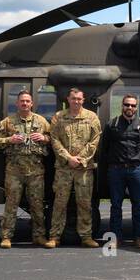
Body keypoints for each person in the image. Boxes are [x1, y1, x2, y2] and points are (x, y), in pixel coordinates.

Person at [0, 90, 51, 248]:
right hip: (14, 172)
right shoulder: (7, 122)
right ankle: (6, 237)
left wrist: (44, 138)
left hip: (36, 172)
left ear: (32, 104)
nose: (24, 103)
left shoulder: (42, 121)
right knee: (11, 205)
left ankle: (39, 236)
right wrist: (10, 139)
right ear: (17, 103)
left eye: (27, 101)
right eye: (22, 101)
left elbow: (54, 139)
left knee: (37, 206)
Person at [44, 87, 103, 248]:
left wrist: (80, 159)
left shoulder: (92, 117)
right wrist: (68, 158)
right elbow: (54, 140)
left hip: (83, 168)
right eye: (73, 98)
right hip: (64, 168)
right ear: (68, 100)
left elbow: (95, 141)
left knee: (84, 203)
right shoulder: (59, 117)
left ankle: (86, 236)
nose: (76, 101)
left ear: (83, 100)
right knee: (60, 203)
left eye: (79, 99)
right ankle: (54, 236)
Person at [102, 92, 140, 248]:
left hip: (136, 170)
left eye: (132, 105)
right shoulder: (111, 125)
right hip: (116, 170)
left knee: (137, 204)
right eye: (127, 105)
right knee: (115, 205)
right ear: (122, 106)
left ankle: (138, 237)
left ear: (136, 107)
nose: (129, 108)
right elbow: (105, 148)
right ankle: (116, 238)